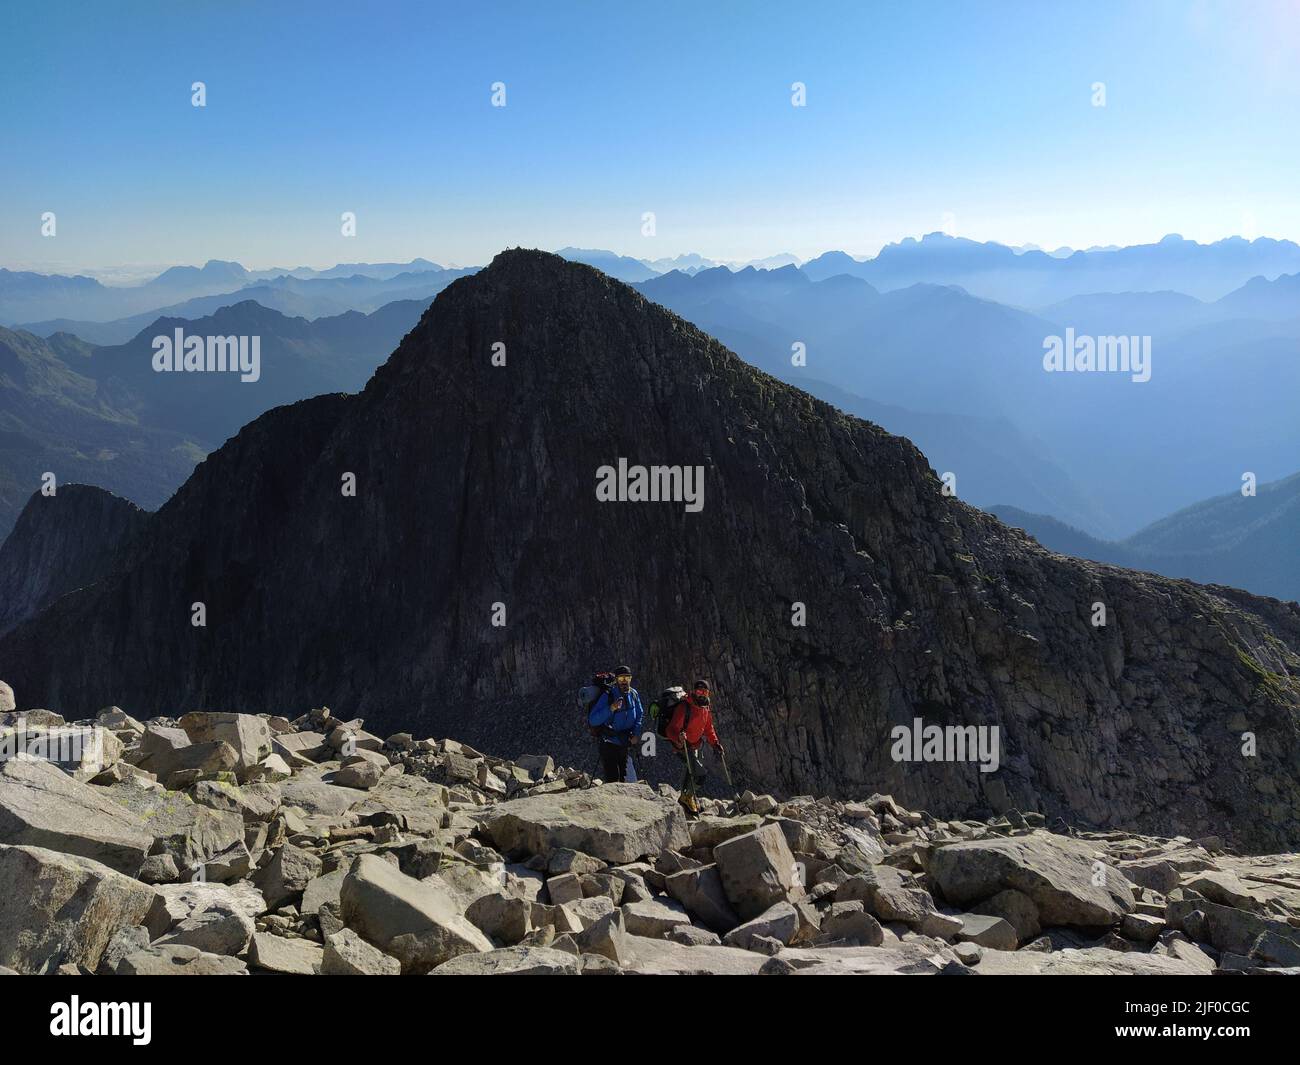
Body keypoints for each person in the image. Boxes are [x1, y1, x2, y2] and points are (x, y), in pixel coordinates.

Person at [666, 678, 724, 814]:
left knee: (691, 771)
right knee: (700, 774)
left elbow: (709, 729)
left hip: (694, 745)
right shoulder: (684, 707)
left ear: (708, 694)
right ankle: (687, 798)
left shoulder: (705, 708)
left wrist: (715, 744)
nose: (701, 694)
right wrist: (678, 738)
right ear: (693, 691)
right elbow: (671, 729)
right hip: (682, 746)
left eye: (705, 692)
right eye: (699, 691)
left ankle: (686, 798)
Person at [587, 664, 644, 783]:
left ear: (631, 679)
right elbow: (593, 719)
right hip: (609, 743)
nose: (624, 682)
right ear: (616, 680)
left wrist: (636, 733)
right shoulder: (608, 696)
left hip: (625, 742)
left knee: (623, 778)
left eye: (627, 678)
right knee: (613, 779)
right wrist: (611, 708)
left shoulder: (633, 694)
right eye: (621, 679)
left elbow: (639, 714)